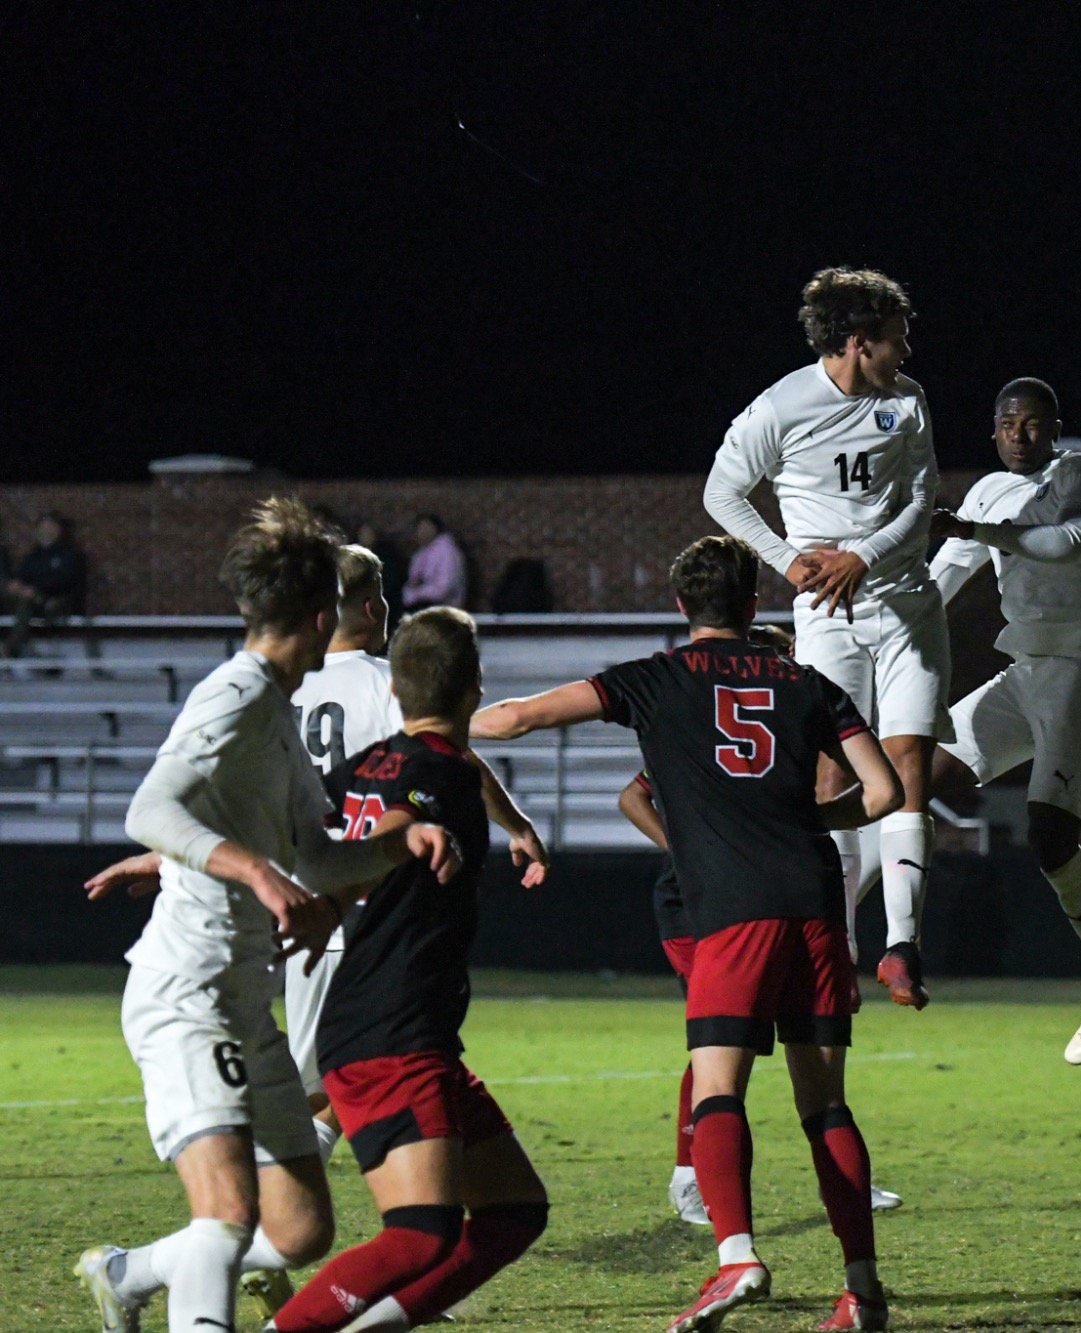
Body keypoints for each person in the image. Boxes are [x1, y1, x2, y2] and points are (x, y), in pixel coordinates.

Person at [86, 545, 548, 1322]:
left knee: (316, 1225)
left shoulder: (307, 729)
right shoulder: (253, 696)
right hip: (270, 996)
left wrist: (175, 863)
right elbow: (162, 810)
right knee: (289, 1220)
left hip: (295, 983)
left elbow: (314, 845)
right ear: (324, 616)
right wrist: (264, 872)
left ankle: (132, 1275)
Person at [473, 535, 902, 1332]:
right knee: (826, 1107)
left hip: (731, 912)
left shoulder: (656, 677)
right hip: (813, 903)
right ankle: (864, 1289)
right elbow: (884, 791)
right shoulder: (808, 683)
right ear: (752, 605)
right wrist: (810, 816)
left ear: (681, 607)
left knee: (716, 1091)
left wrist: (443, 719)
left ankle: (737, 1255)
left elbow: (519, 718)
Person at [264, 608, 550, 1332]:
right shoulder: (433, 778)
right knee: (420, 1232)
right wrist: (409, 832)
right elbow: (404, 814)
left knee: (513, 1211)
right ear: (477, 688)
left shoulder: (378, 760)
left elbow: (362, 821)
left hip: (405, 1026)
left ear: (394, 688)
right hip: (390, 1029)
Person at [703, 266, 950, 1009]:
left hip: (906, 602)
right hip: (828, 616)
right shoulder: (782, 407)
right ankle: (836, 948)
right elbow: (722, 492)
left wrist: (862, 555)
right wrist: (789, 560)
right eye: (894, 339)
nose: (904, 352)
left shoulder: (906, 402)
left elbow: (922, 498)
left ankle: (901, 945)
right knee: (832, 781)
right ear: (857, 341)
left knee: (907, 760)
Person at [926, 377, 1081, 1063]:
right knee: (910, 775)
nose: (1021, 433)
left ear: (1055, 428)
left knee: (1050, 838)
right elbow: (938, 584)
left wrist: (969, 527)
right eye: (1009, 422)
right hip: (1025, 672)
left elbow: (1062, 541)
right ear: (993, 429)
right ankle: (844, 935)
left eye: (1035, 422)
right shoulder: (986, 492)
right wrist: (839, 636)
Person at [7, 511, 87, 656]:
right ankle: (13, 648)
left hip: (61, 601)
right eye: (43, 527)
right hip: (35, 602)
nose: (47, 531)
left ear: (59, 529)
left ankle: (12, 649)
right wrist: (18, 586)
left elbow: (66, 580)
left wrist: (36, 589)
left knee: (37, 602)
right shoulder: (33, 556)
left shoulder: (69, 554)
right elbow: (24, 576)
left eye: (51, 527)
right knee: (25, 603)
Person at [402, 514, 466, 612]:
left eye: (427, 527)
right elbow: (413, 582)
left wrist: (417, 593)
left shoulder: (447, 552)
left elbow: (444, 587)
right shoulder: (419, 554)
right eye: (420, 528)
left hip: (443, 606)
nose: (423, 531)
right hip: (420, 603)